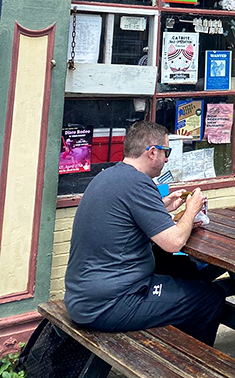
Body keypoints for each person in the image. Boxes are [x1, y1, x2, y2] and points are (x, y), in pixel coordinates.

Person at [64, 120, 226, 345]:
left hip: (83, 296)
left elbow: (125, 220)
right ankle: (190, 361)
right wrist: (192, 210)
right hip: (110, 303)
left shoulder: (107, 176)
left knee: (183, 270)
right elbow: (173, 242)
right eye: (166, 151)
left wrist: (161, 206)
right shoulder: (138, 184)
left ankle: (174, 341)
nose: (167, 159)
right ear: (152, 152)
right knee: (210, 298)